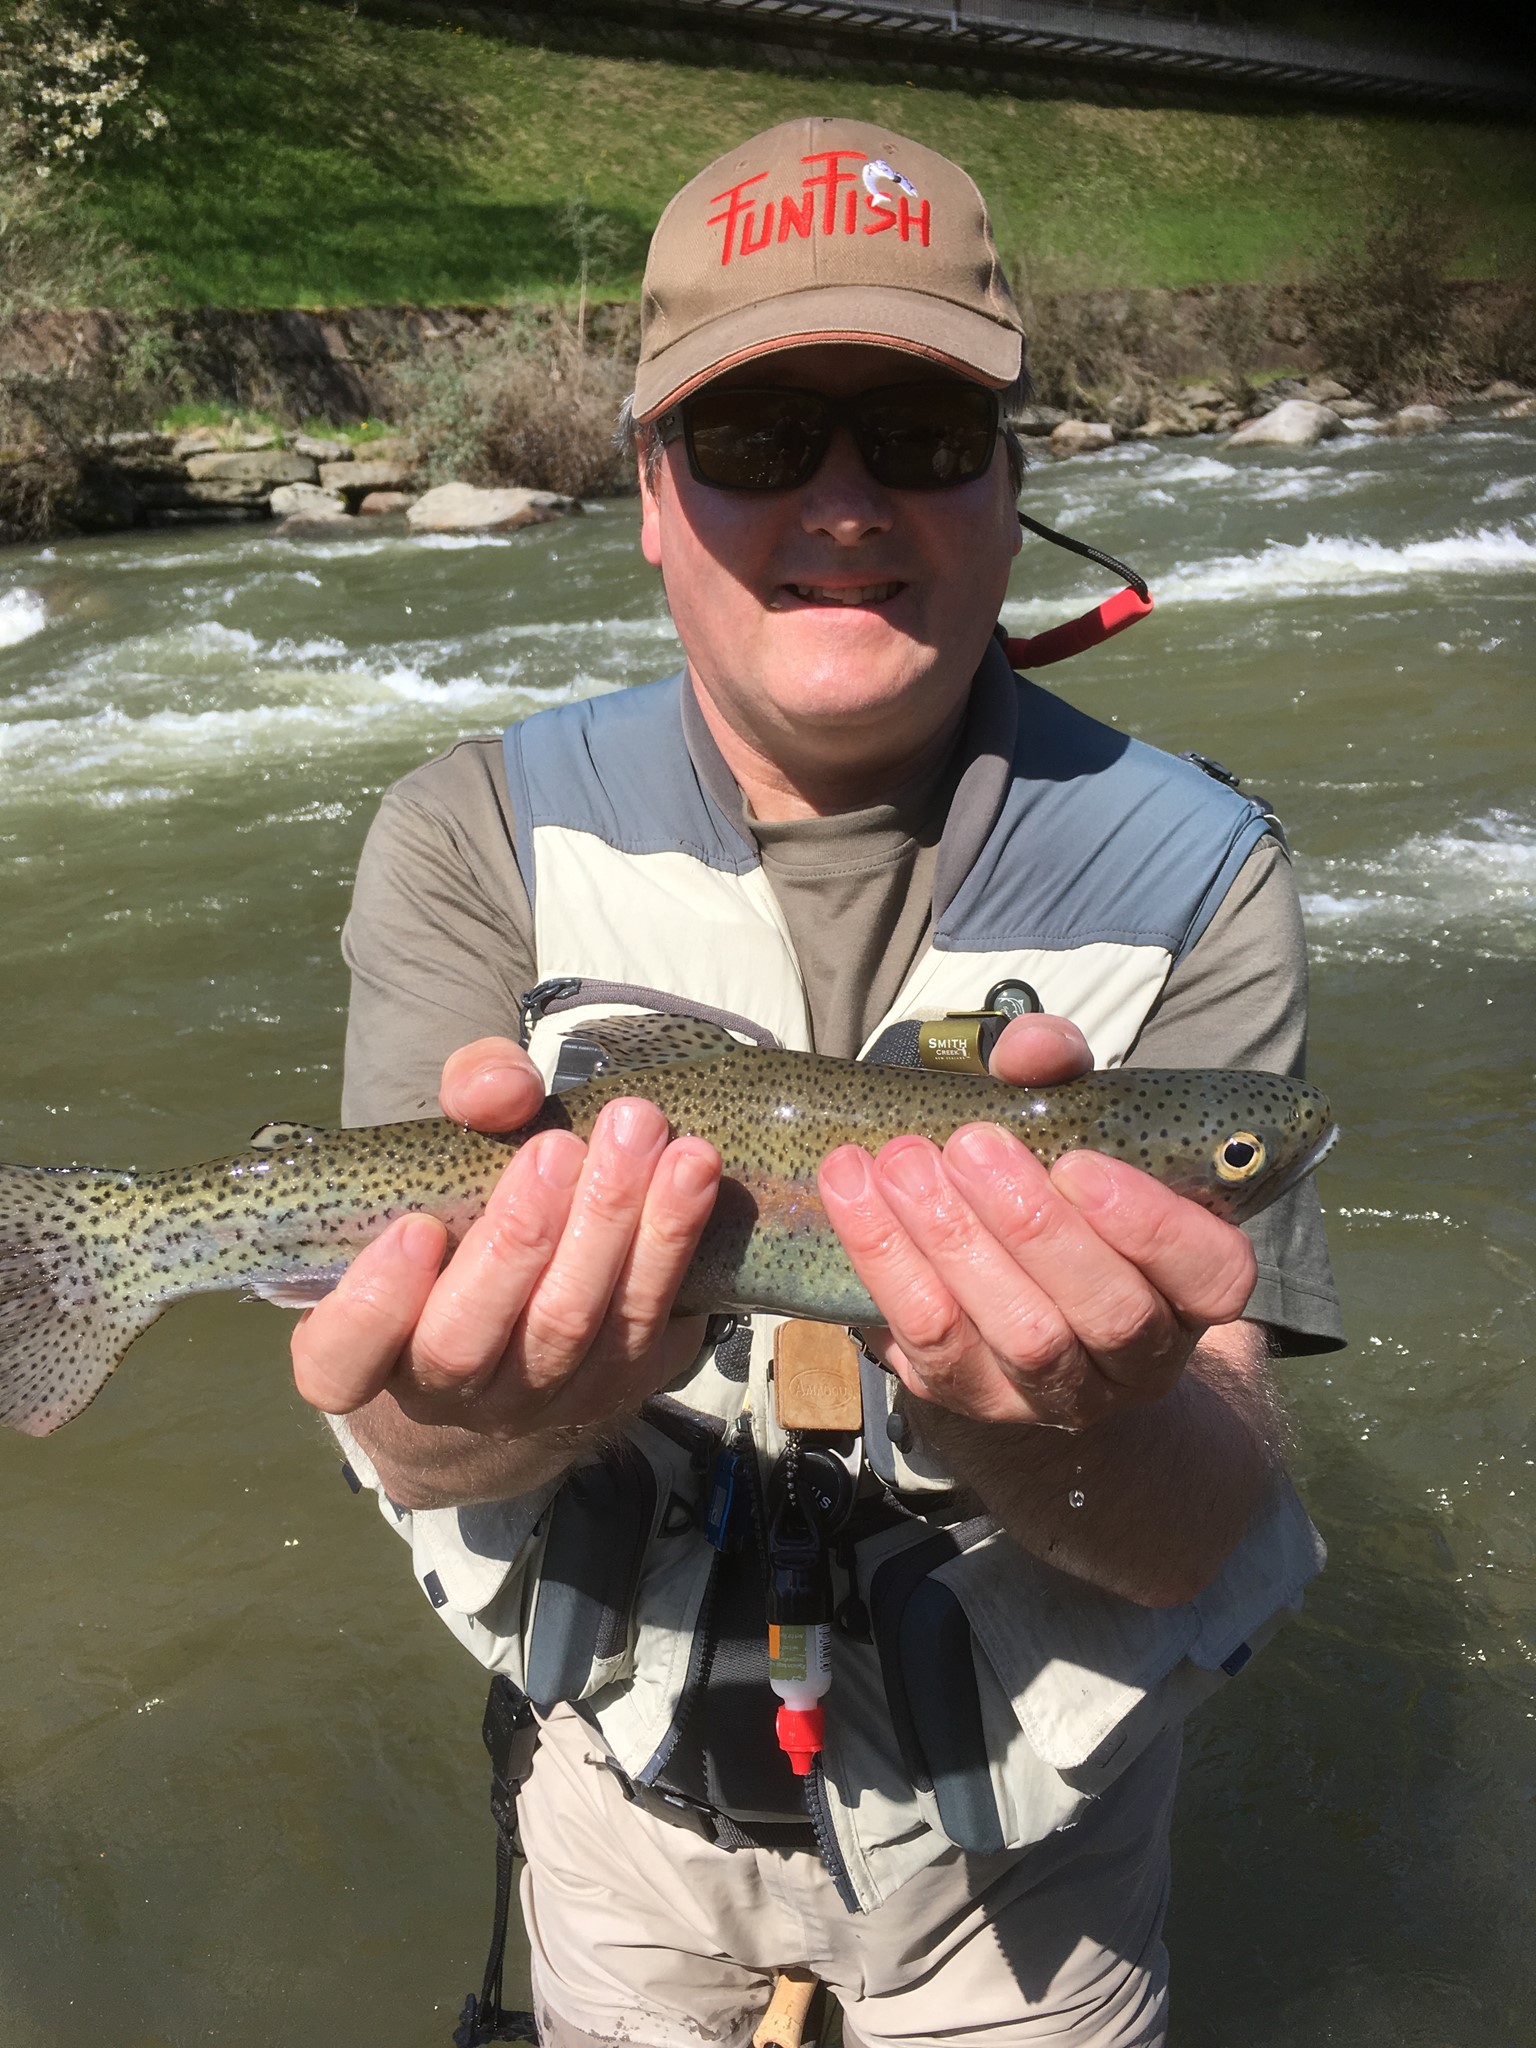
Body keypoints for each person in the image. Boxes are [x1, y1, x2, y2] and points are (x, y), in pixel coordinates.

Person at [292, 117, 1343, 2048]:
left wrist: (1060, 1416)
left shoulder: (1202, 878)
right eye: (765, 441)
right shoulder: (470, 839)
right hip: (614, 1828)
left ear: (1016, 480)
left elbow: (1207, 1524)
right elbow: (411, 1442)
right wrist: (475, 1415)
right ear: (648, 489)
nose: (845, 503)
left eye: (923, 437)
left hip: (1036, 1870)